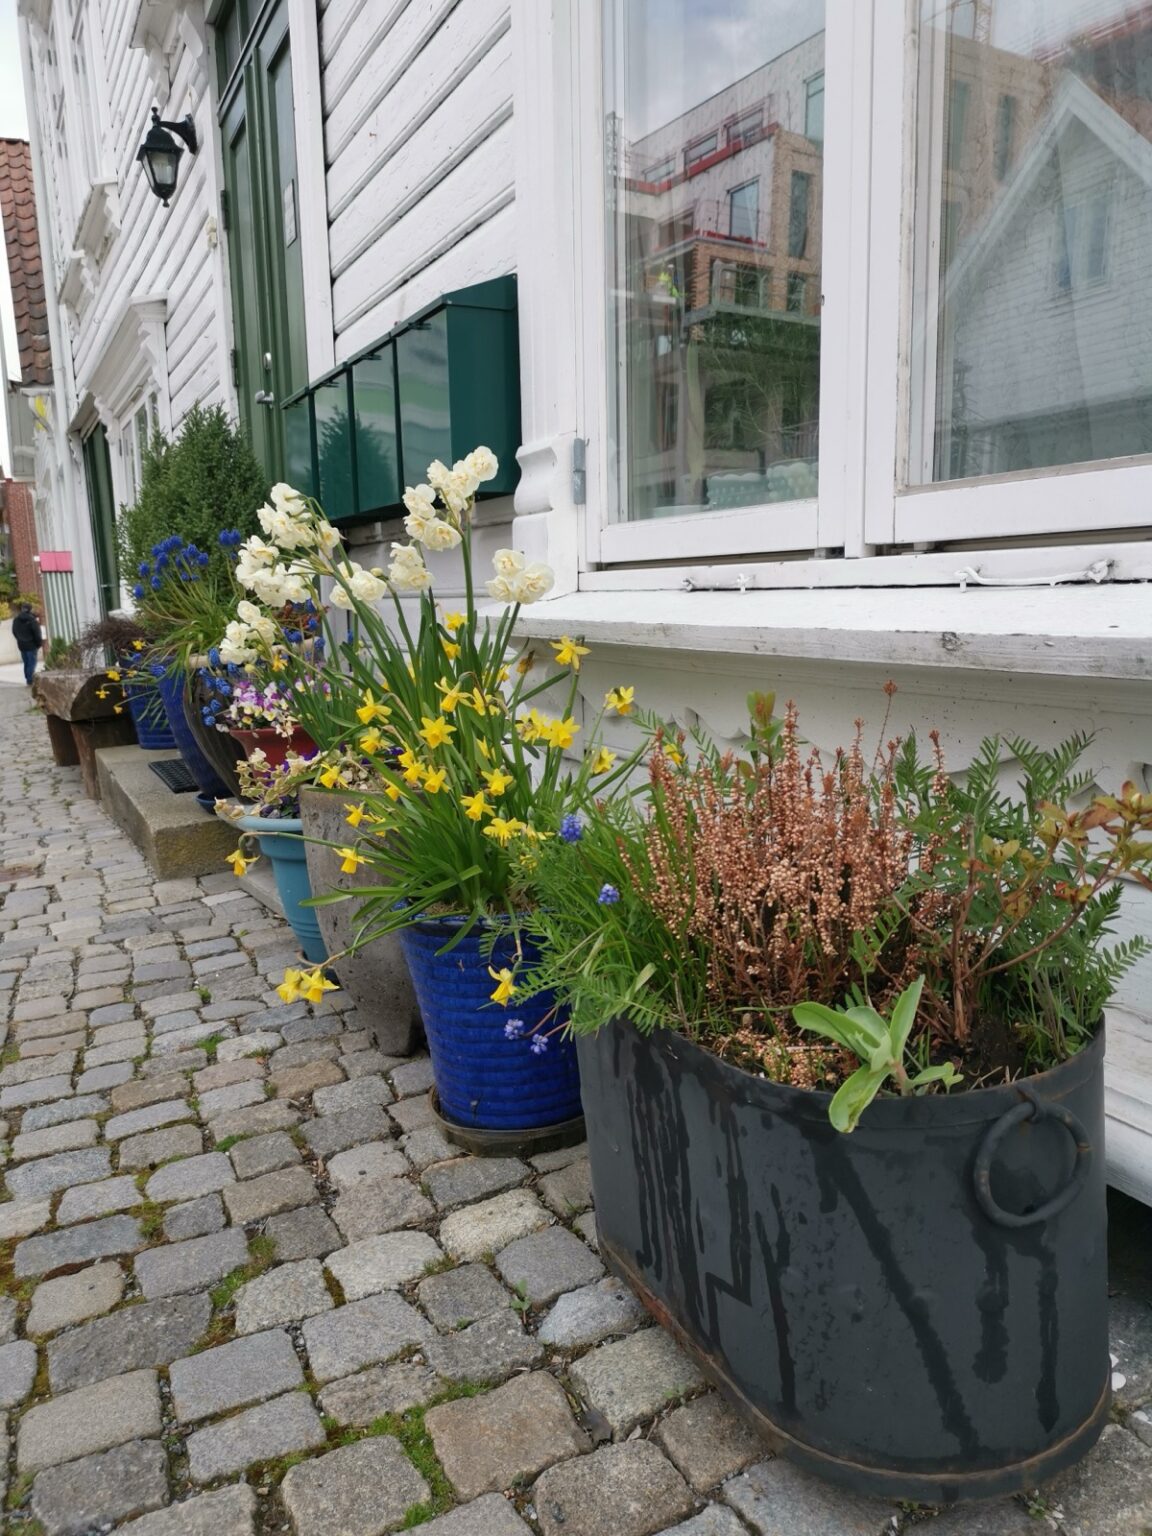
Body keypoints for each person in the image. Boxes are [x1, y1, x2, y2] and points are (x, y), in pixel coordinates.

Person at [12, 602, 43, 686]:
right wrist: (39, 643)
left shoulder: (16, 620)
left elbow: (14, 632)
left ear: (22, 609)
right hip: (31, 645)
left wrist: (20, 639)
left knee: (26, 663)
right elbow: (37, 633)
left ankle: (27, 678)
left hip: (21, 645)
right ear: (30, 609)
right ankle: (30, 680)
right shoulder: (32, 619)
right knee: (32, 663)